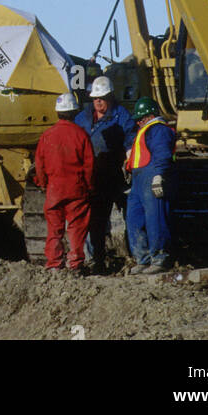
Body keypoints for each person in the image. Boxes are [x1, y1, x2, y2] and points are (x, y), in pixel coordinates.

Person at [74, 75, 136, 274]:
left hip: (111, 174)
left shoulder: (122, 116)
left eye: (102, 98)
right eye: (95, 98)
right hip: (90, 175)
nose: (98, 102)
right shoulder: (83, 117)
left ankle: (129, 257)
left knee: (122, 216)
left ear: (110, 97)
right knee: (93, 220)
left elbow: (130, 141)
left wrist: (129, 162)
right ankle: (94, 259)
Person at [34, 93, 95, 275]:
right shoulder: (81, 135)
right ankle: (75, 264)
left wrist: (44, 184)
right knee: (76, 228)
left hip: (54, 190)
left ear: (58, 112)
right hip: (76, 190)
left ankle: (54, 263)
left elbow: (39, 164)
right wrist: (89, 186)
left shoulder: (47, 135)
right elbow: (89, 165)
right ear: (75, 111)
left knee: (54, 228)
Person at [125, 96, 175, 273]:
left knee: (156, 218)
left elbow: (162, 153)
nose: (138, 122)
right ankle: (143, 258)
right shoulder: (146, 130)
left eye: (140, 118)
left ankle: (159, 258)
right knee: (134, 219)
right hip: (139, 180)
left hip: (151, 177)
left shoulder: (158, 130)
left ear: (148, 115)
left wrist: (158, 176)